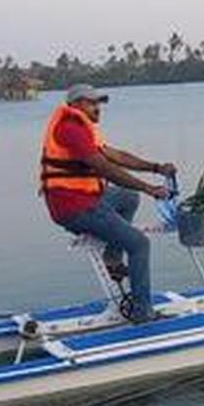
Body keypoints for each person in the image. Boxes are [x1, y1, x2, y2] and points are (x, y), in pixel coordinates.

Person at [40, 84, 176, 323]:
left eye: (99, 103)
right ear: (76, 104)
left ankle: (112, 257)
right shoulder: (70, 128)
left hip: (86, 199)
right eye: (92, 103)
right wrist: (148, 188)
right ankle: (143, 312)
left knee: (127, 197)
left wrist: (156, 167)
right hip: (75, 208)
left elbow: (117, 156)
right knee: (138, 244)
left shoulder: (84, 129)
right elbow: (103, 167)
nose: (98, 108)